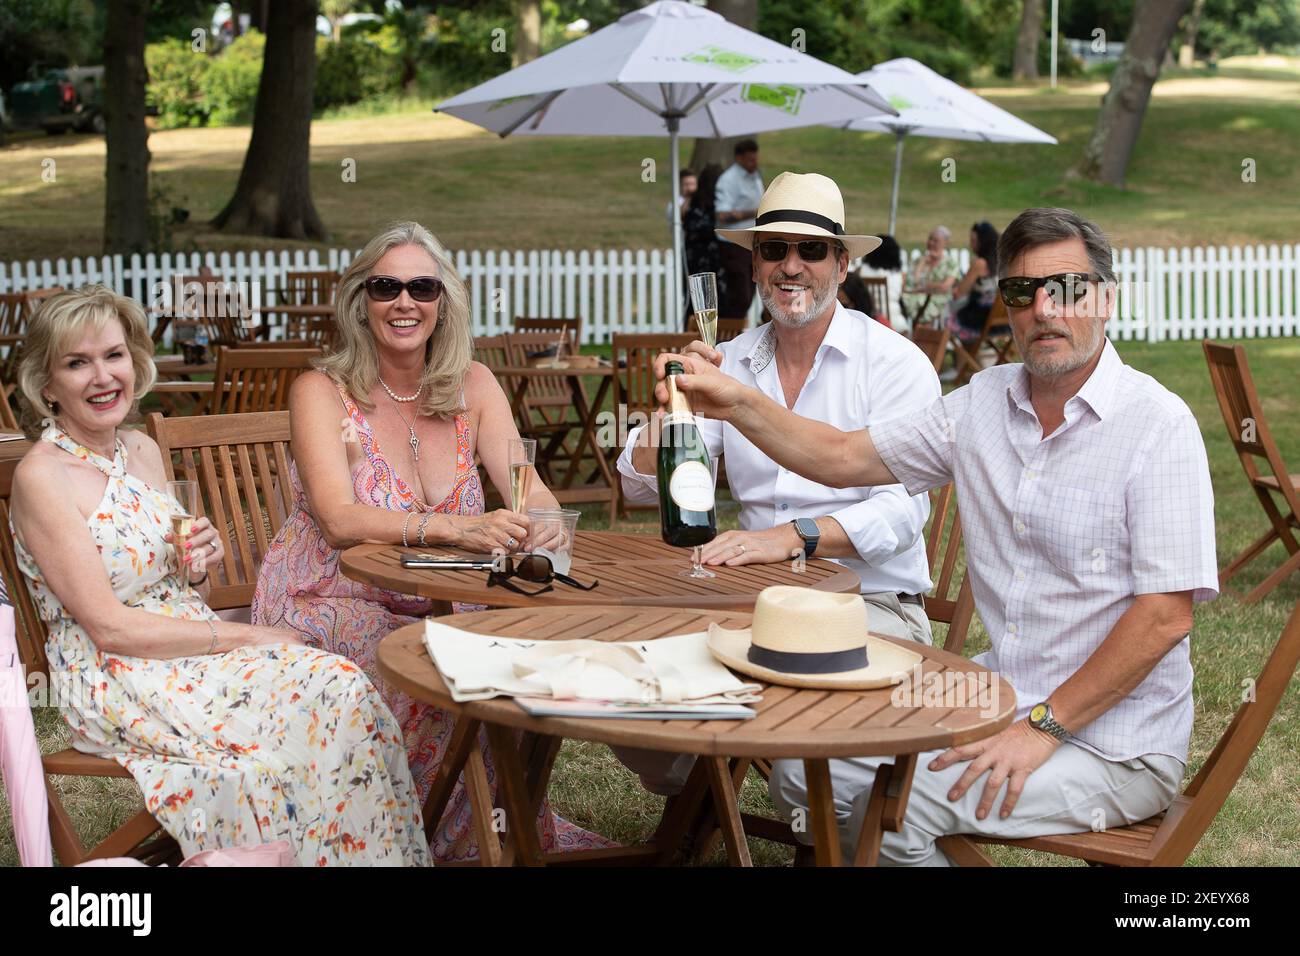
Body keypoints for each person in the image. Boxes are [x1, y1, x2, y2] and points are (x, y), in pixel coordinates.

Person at [653, 207, 1218, 864]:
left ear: (1107, 299)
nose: (1043, 309)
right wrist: (738, 400)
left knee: (895, 805)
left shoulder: (1157, 425)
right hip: (994, 695)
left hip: (1113, 741)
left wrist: (1044, 729)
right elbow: (841, 456)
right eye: (1022, 291)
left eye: (1066, 288)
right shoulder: (981, 404)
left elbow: (1165, 617)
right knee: (810, 766)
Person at [8, 285, 429, 866]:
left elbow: (190, 592)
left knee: (342, 688)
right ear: (46, 384)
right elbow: (109, 628)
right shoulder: (43, 478)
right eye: (77, 363)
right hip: (119, 672)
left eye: (113, 355)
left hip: (188, 647)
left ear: (134, 360)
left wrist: (196, 564)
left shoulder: (140, 450)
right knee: (291, 735)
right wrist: (253, 635)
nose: (102, 377)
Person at [250, 221, 611, 862]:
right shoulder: (321, 392)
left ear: (444, 300)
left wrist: (545, 521)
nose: (404, 302)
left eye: (422, 287)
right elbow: (338, 520)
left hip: (446, 597)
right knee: (423, 668)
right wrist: (452, 526)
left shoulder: (473, 385)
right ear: (360, 299)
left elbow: (528, 487)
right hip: (332, 601)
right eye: (386, 287)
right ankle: (404, 843)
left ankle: (495, 839)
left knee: (526, 660)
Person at [614, 172, 940, 796]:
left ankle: (796, 796)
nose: (791, 266)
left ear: (842, 265)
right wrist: (674, 403)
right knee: (633, 701)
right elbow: (640, 488)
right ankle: (708, 796)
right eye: (773, 250)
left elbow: (902, 514)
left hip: (868, 606)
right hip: (746, 601)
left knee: (805, 760)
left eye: (810, 249)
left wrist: (792, 536)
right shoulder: (732, 360)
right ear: (755, 264)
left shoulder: (894, 364)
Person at [714, 138, 764, 319]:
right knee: (740, 294)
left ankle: (737, 327)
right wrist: (754, 213)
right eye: (750, 160)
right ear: (739, 158)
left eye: (755, 159)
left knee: (751, 290)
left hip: (752, 242)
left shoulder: (755, 177)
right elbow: (722, 214)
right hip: (733, 244)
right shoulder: (728, 180)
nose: (754, 163)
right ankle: (730, 329)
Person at [682, 164, 727, 328]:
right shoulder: (705, 207)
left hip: (698, 264)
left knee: (698, 306)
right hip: (706, 265)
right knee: (703, 307)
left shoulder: (694, 205)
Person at [945, 221, 1000, 346]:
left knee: (946, 314)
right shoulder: (1002, 262)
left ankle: (959, 358)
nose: (971, 244)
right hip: (1000, 321)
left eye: (974, 241)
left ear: (984, 242)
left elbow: (959, 293)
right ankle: (969, 357)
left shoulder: (980, 264)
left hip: (977, 321)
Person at [901, 226, 962, 327]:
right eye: (930, 239)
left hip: (939, 300)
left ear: (945, 243)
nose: (931, 243)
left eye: (936, 241)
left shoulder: (951, 264)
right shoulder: (919, 261)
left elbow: (944, 287)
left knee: (925, 307)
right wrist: (922, 263)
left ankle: (921, 332)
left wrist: (924, 286)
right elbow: (911, 282)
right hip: (916, 298)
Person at [859, 234, 906, 332]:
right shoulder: (897, 274)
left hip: (870, 319)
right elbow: (901, 294)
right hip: (894, 321)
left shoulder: (862, 270)